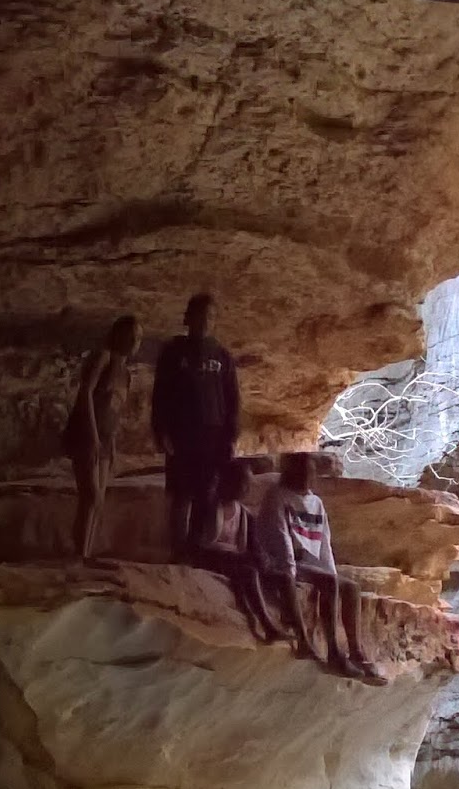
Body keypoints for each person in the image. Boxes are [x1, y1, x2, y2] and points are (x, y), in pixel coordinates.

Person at [256, 451, 386, 682]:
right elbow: (278, 537)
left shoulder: (315, 502)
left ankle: (356, 652)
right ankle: (333, 652)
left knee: (351, 587)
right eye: (303, 472)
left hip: (309, 564)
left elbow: (323, 542)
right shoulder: (277, 497)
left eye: (311, 472)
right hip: (284, 562)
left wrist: (328, 570)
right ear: (291, 473)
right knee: (328, 582)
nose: (308, 477)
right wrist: (290, 570)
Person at [151, 292, 240, 558]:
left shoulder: (222, 356)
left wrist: (231, 436)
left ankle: (199, 549)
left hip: (213, 435)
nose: (205, 321)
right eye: (200, 315)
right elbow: (160, 394)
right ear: (188, 318)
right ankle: (178, 551)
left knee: (207, 495)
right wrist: (161, 430)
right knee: (181, 494)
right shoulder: (173, 352)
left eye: (210, 316)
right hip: (182, 433)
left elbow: (232, 398)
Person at [63, 314, 142, 560]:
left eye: (138, 337)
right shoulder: (104, 358)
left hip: (106, 437)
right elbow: (86, 393)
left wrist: (113, 444)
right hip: (88, 433)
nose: (135, 341)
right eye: (131, 335)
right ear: (118, 335)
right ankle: (80, 554)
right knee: (91, 496)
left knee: (98, 501)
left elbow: (115, 411)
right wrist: (93, 435)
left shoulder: (126, 374)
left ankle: (87, 551)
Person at [195, 459, 288, 644]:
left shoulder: (244, 514)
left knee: (279, 575)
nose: (248, 488)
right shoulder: (208, 507)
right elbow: (199, 543)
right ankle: (267, 625)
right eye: (244, 483)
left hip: (234, 558)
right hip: (210, 557)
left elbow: (253, 547)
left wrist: (266, 560)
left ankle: (289, 624)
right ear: (229, 482)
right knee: (249, 571)